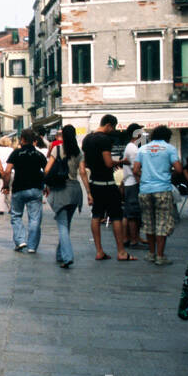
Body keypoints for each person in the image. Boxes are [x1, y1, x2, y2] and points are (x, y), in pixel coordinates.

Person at [81, 114, 133, 261]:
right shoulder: (105, 140)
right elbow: (108, 163)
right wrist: (121, 162)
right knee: (116, 216)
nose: (113, 130)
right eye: (113, 128)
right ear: (109, 125)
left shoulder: (87, 139)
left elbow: (86, 162)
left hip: (94, 182)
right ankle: (121, 252)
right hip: (108, 184)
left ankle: (99, 251)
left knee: (96, 215)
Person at [133, 126, 184, 266]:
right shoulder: (169, 149)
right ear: (167, 136)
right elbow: (179, 169)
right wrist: (167, 175)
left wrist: (144, 177)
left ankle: (151, 253)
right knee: (162, 222)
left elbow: (136, 169)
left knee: (148, 222)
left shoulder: (142, 149)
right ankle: (160, 256)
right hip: (162, 188)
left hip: (145, 189)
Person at [44, 124, 83, 268]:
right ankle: (60, 254)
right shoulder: (78, 151)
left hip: (61, 189)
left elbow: (47, 169)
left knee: (62, 225)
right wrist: (89, 193)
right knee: (67, 223)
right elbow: (83, 173)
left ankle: (67, 256)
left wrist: (46, 184)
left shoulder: (57, 148)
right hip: (75, 190)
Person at [5, 129, 46, 253]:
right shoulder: (39, 155)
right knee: (34, 218)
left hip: (19, 188)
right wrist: (46, 185)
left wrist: (6, 185)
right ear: (34, 140)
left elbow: (7, 171)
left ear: (22, 139)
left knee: (16, 215)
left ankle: (20, 240)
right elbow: (47, 170)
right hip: (35, 188)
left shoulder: (16, 153)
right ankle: (32, 246)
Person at [120, 125, 145, 249]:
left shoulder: (131, 147)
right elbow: (136, 170)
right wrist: (142, 182)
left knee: (128, 213)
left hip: (128, 183)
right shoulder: (133, 149)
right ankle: (134, 240)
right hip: (133, 183)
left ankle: (127, 238)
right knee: (133, 215)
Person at [0, 136, 15, 215]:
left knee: (1, 190)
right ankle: (11, 207)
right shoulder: (11, 150)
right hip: (10, 171)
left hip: (0, 172)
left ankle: (1, 208)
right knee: (10, 189)